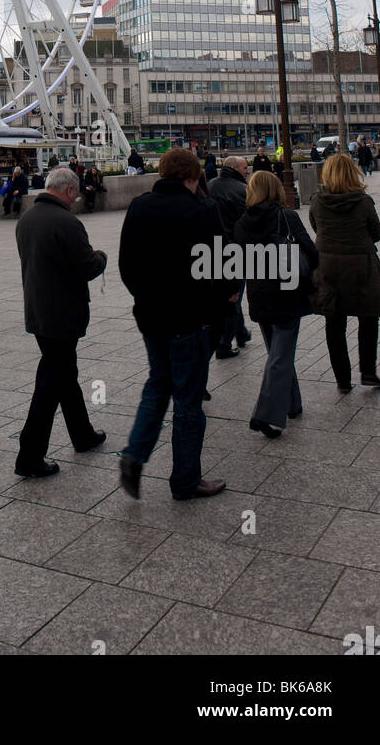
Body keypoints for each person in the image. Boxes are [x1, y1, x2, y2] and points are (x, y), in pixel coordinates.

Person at [118, 148, 235, 502]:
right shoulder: (202, 210)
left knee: (157, 385)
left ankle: (134, 455)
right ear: (192, 176)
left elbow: (127, 264)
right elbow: (221, 263)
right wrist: (224, 297)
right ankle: (185, 480)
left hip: (152, 317)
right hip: (190, 318)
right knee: (188, 400)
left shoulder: (139, 206)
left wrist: (145, 298)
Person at [14, 168, 108, 477]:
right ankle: (29, 454)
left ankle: (82, 434)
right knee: (51, 380)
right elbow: (86, 266)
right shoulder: (68, 222)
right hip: (63, 313)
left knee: (65, 373)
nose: (76, 199)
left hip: (38, 309)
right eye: (76, 194)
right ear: (68, 191)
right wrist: (100, 256)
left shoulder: (27, 218)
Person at [233, 171, 318, 438]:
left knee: (277, 353)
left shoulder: (243, 222)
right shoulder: (287, 217)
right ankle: (267, 414)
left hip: (259, 292)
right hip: (286, 291)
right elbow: (311, 253)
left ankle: (293, 403)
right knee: (280, 356)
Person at [309, 153, 380, 391]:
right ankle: (368, 372)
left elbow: (315, 226)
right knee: (368, 317)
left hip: (329, 266)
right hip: (361, 265)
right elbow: (377, 233)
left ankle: (342, 380)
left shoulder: (317, 201)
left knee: (334, 321)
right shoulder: (363, 202)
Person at [208, 156, 252, 356]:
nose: (248, 170)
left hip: (211, 249)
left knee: (230, 293)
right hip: (234, 249)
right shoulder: (242, 190)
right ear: (234, 168)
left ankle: (240, 332)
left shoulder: (210, 185)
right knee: (234, 295)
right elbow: (247, 223)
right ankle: (224, 343)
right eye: (245, 167)